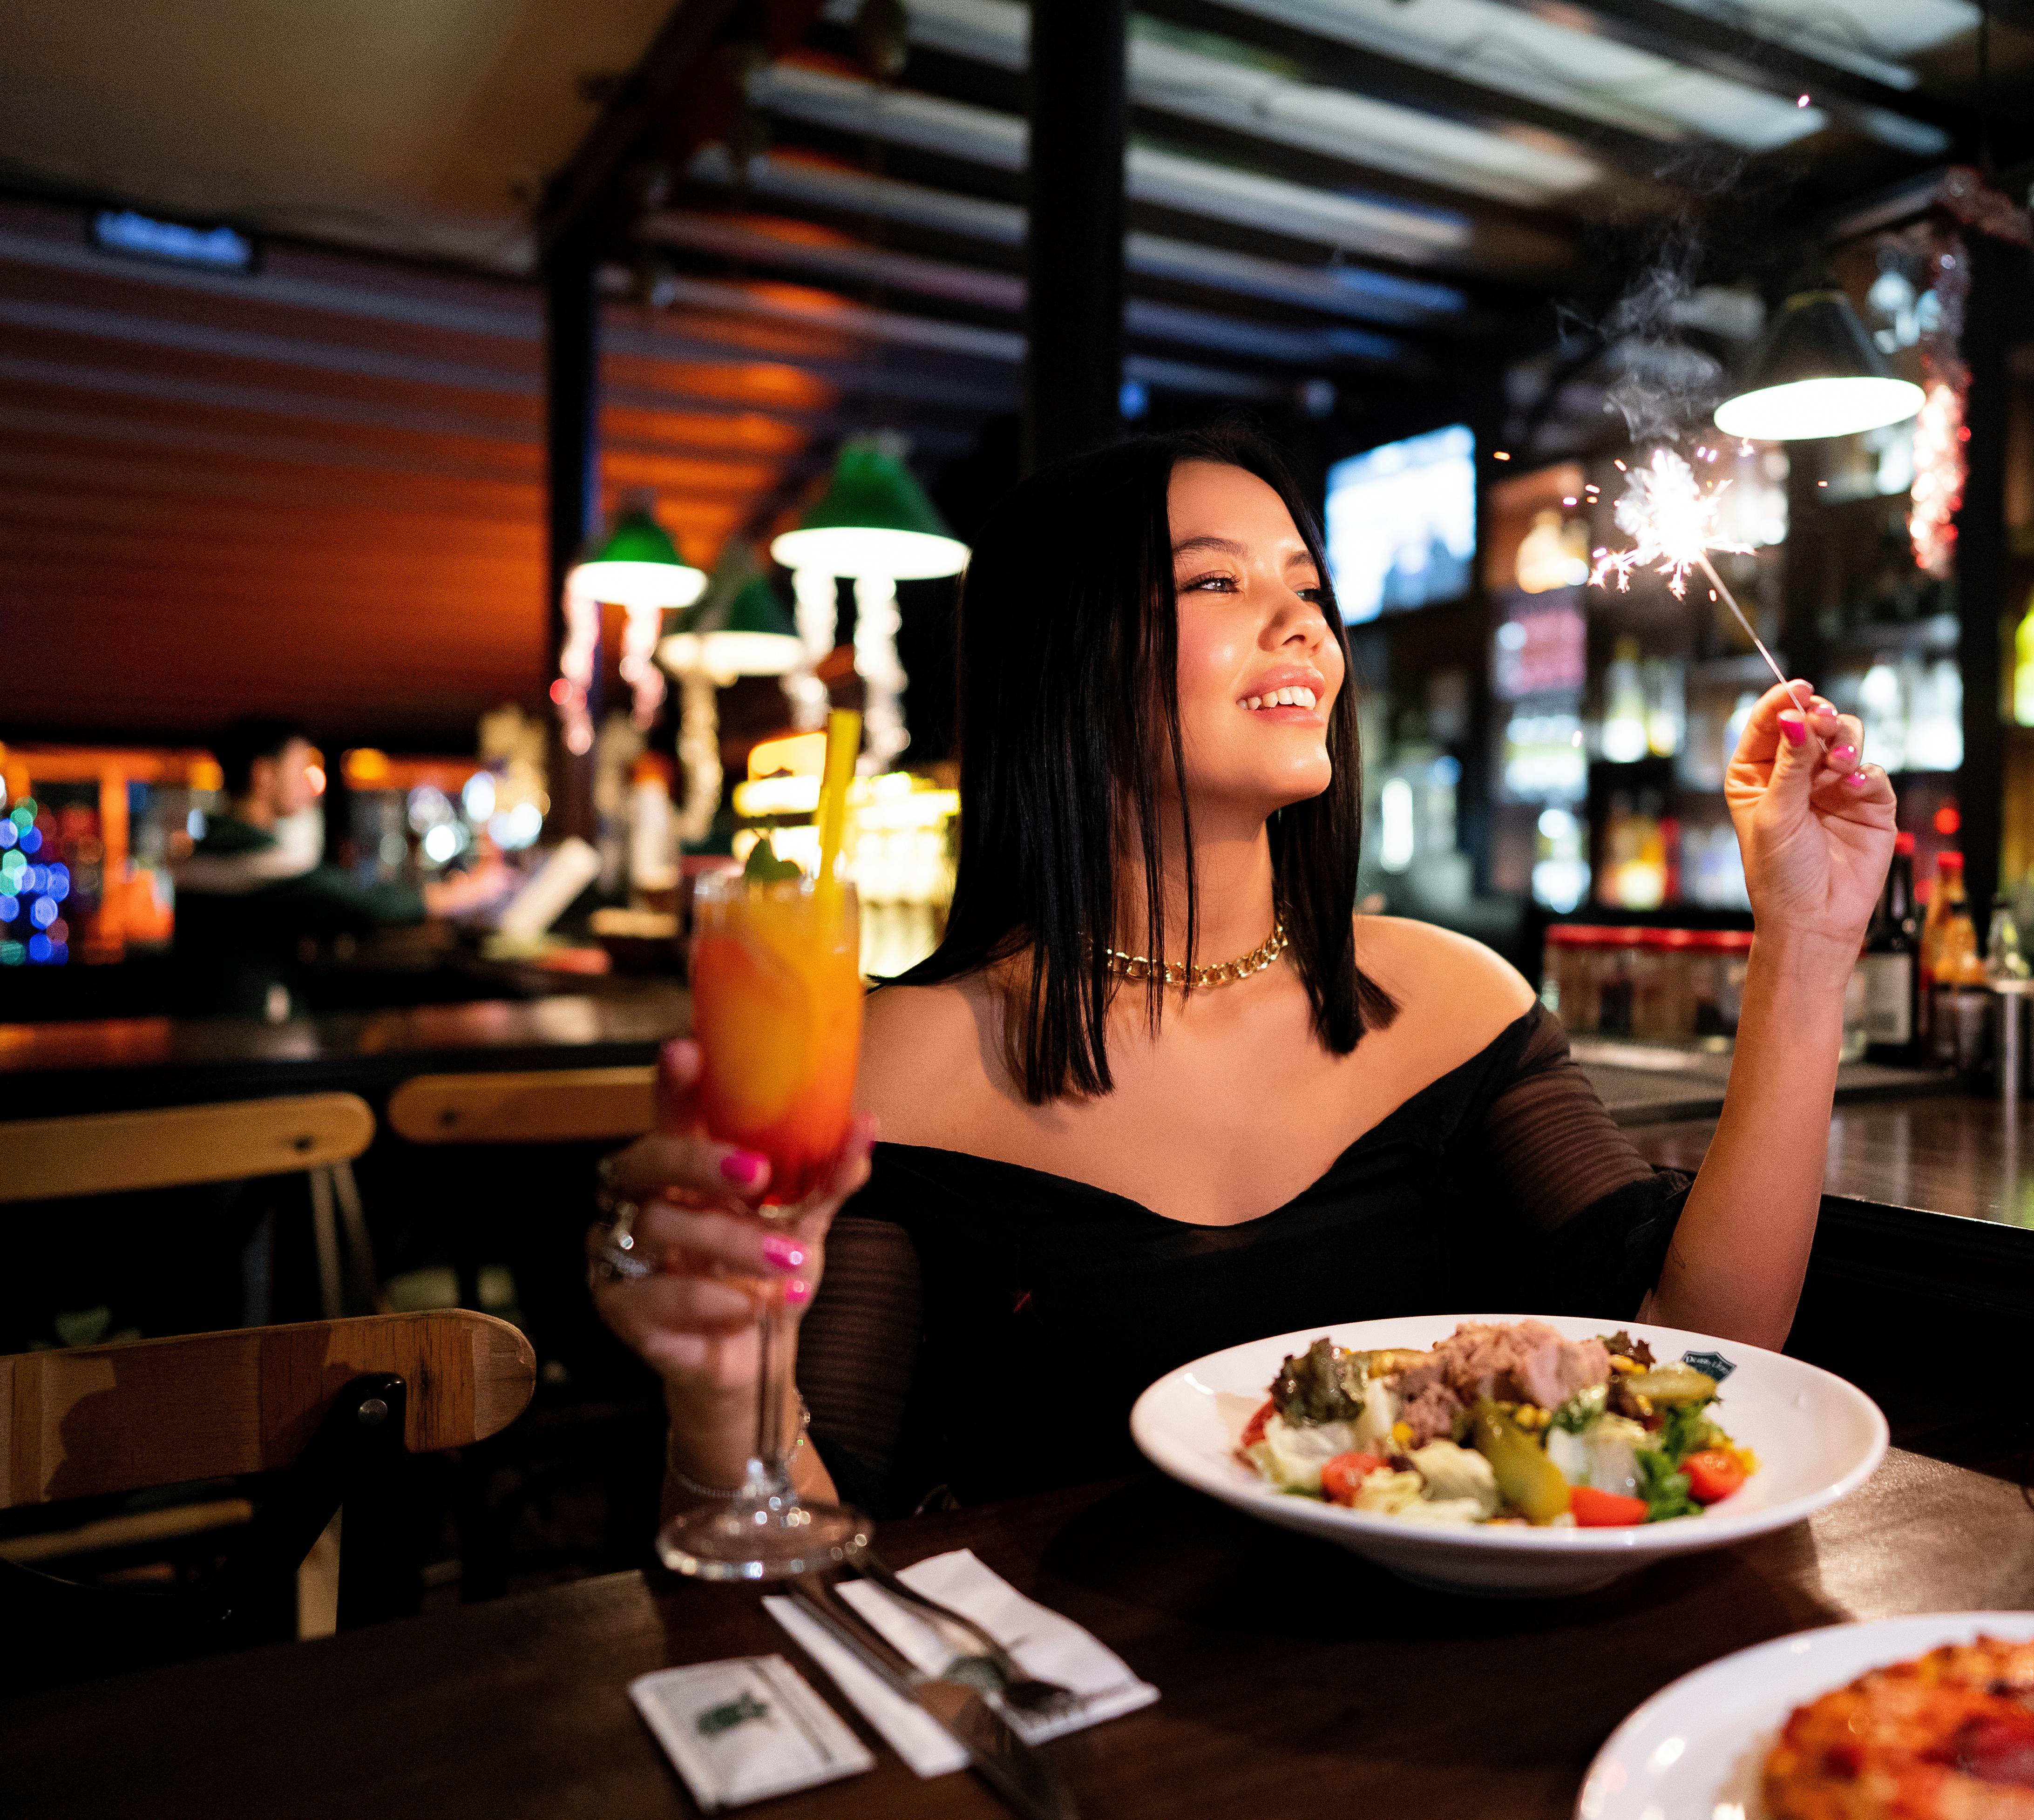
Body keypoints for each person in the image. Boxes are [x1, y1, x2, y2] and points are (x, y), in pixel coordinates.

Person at [592, 426, 1897, 1515]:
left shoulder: (1449, 1001)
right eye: (1215, 585)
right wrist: (724, 1394)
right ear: (1066, 659)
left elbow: (1700, 1339)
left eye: (1305, 586)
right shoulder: (895, 1068)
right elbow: (812, 1531)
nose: (1304, 628)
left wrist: (1804, 942)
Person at [172, 717, 508, 1017]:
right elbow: (361, 901)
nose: (309, 786)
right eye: (301, 770)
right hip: (249, 1038)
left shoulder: (205, 852)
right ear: (264, 774)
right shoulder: (252, 862)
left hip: (202, 1031)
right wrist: (464, 893)